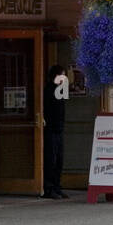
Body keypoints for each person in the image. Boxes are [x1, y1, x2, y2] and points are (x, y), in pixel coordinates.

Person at [43, 64, 69, 200]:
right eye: (61, 75)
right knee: (50, 160)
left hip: (59, 129)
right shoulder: (48, 89)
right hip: (50, 129)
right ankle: (49, 188)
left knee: (59, 160)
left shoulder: (61, 90)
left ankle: (57, 187)